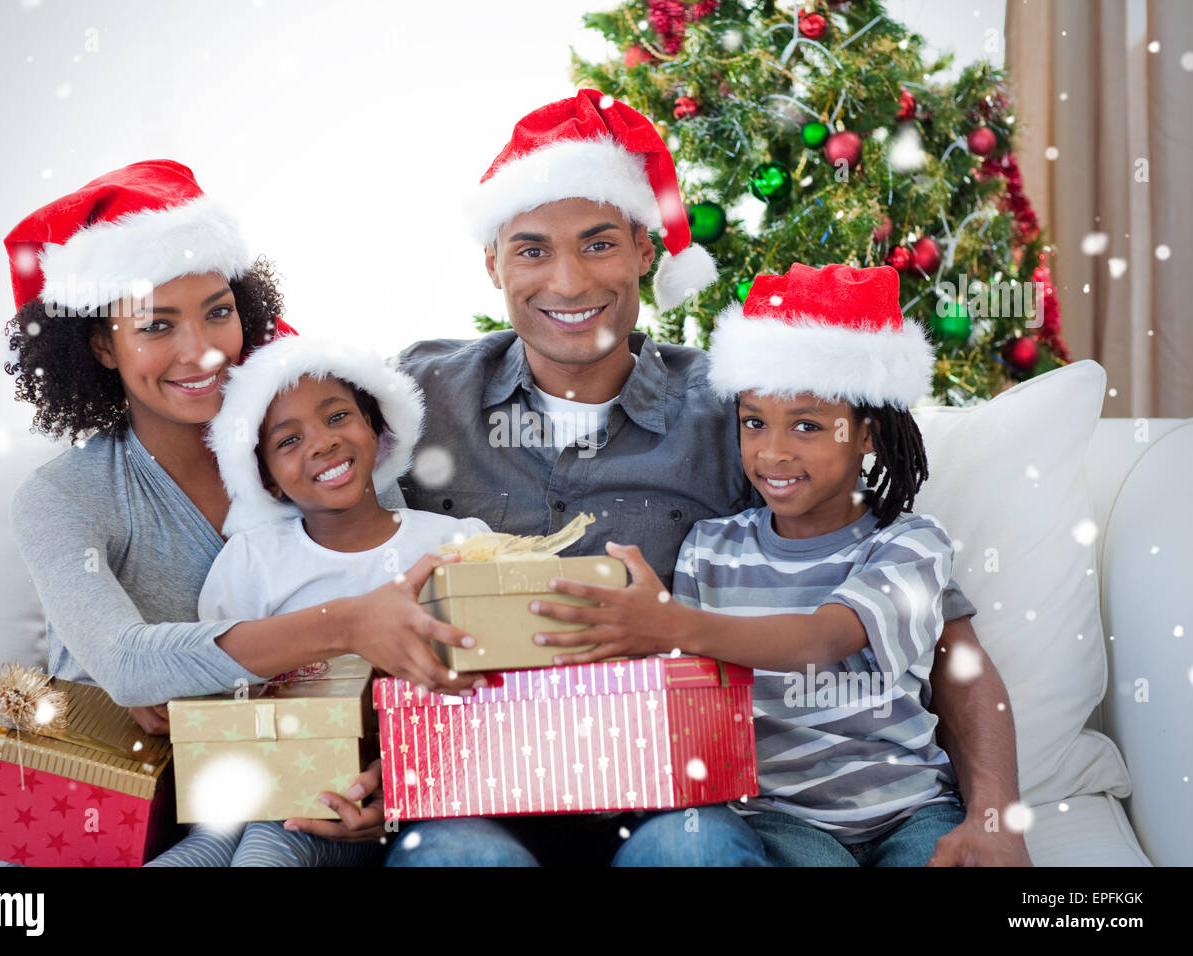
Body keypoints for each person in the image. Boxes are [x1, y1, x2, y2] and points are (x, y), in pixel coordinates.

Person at [385, 91, 1031, 866]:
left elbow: (943, 638)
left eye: (597, 245)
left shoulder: (736, 412)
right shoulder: (411, 399)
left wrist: (993, 811)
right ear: (490, 262)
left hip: (665, 795)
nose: (567, 281)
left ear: (645, 250)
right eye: (531, 250)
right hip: (478, 789)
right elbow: (292, 506)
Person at [0, 161, 481, 865]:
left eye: (217, 312)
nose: (202, 350)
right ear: (102, 345)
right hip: (130, 808)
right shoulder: (61, 498)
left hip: (309, 796)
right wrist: (346, 623)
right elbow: (130, 667)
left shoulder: (321, 454)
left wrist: (400, 783)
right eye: (156, 325)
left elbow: (409, 606)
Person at [543, 262, 966, 865]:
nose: (772, 451)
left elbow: (822, 638)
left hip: (908, 809)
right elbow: (688, 694)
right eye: (753, 423)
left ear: (867, 434)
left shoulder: (911, 545)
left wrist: (670, 623)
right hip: (774, 815)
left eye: (808, 426)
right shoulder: (710, 548)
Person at [180, 336, 490, 865]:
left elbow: (497, 689)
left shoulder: (455, 545)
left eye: (338, 416)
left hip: (409, 791)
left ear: (375, 426)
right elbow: (213, 690)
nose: (321, 444)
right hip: (275, 781)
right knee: (211, 844)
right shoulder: (253, 559)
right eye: (287, 441)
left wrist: (405, 785)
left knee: (269, 846)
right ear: (268, 480)